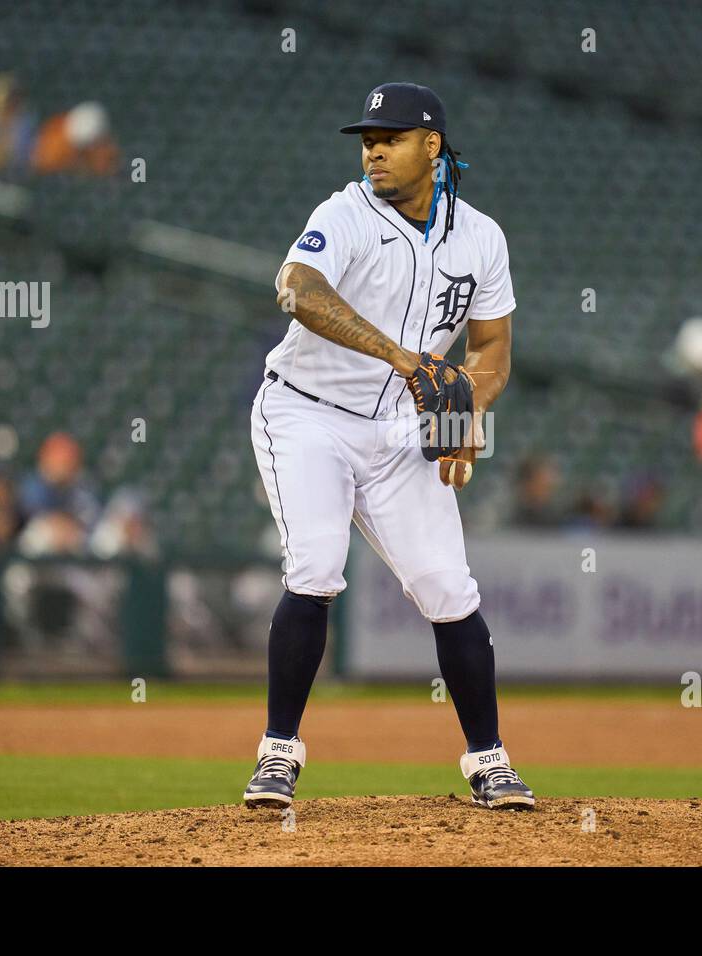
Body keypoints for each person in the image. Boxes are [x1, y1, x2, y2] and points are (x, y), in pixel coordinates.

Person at [246, 82, 532, 811]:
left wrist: (467, 416)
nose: (373, 148)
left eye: (391, 136)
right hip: (309, 414)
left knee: (449, 589)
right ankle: (278, 754)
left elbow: (492, 346)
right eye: (368, 137)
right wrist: (406, 360)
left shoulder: (483, 237)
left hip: (401, 429)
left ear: (432, 147)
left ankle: (489, 760)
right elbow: (297, 289)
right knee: (315, 567)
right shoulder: (344, 213)